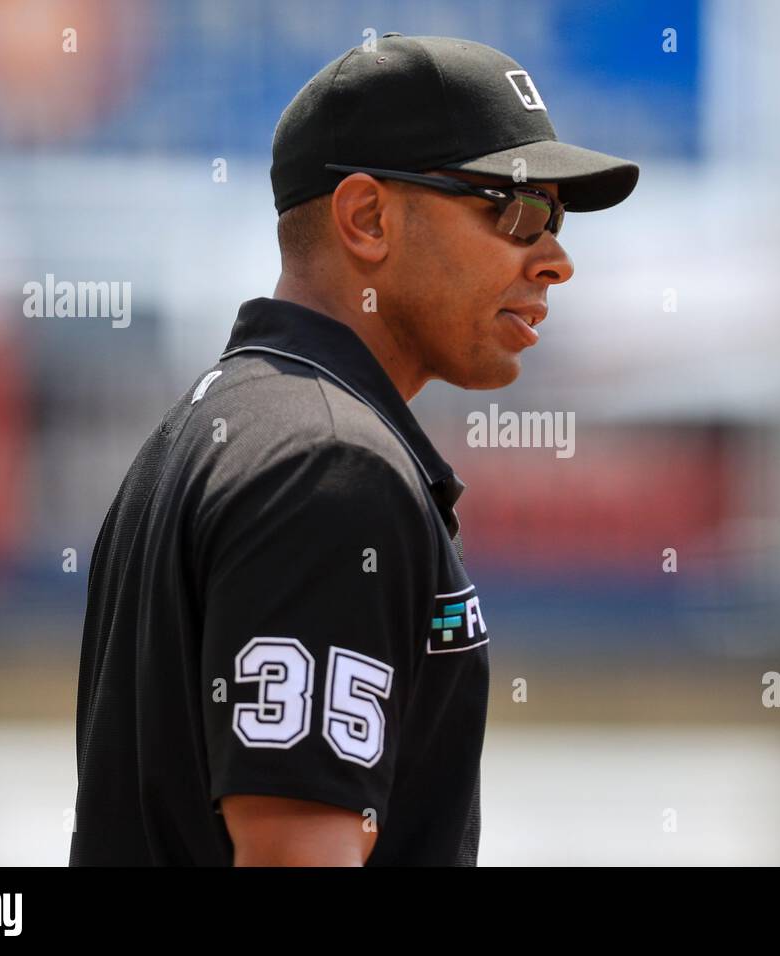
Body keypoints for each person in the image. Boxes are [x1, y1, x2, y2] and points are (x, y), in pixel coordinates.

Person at [69, 33, 638, 866]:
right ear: (368, 218)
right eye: (517, 211)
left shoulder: (218, 425)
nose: (555, 259)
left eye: (554, 219)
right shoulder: (328, 468)